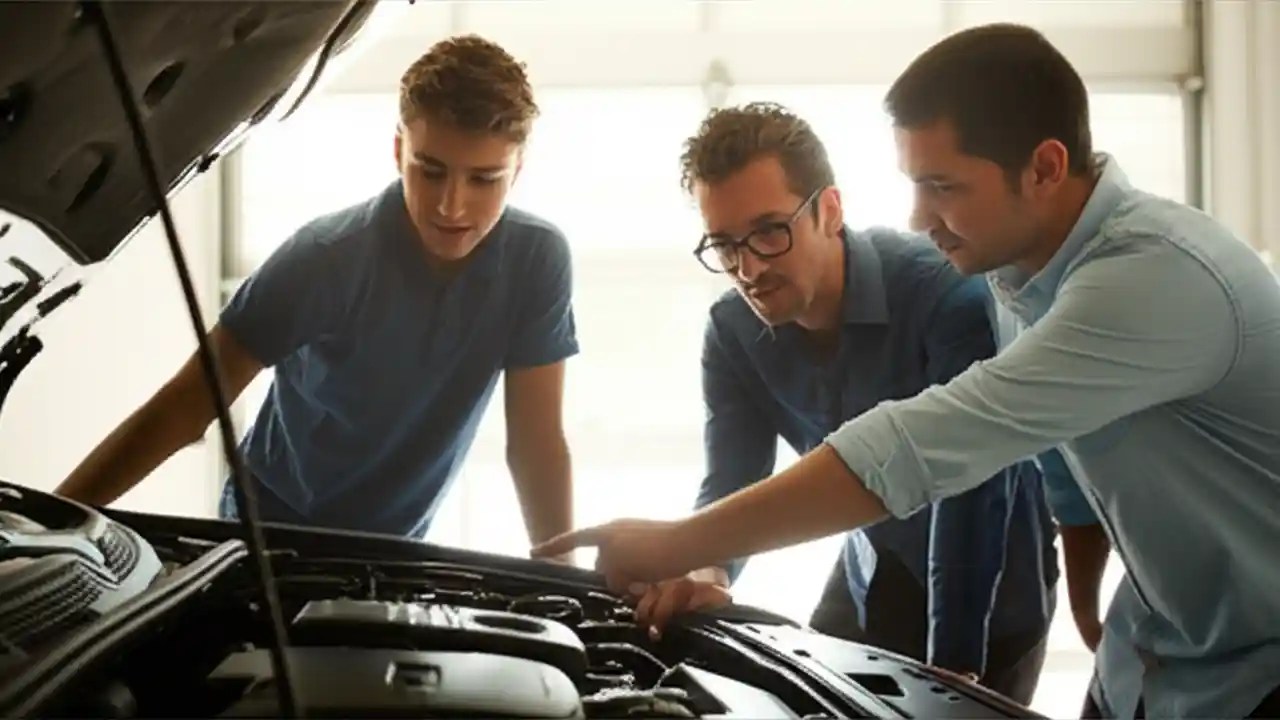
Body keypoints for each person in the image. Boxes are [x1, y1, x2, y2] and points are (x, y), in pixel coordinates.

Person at [534, 23, 1280, 718]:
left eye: (943, 187)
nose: (919, 217)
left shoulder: (1150, 278)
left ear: (1045, 168)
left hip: (1253, 669)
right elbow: (1061, 450)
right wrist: (1090, 593)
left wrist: (675, 543)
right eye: (914, 185)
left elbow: (933, 445)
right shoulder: (1018, 273)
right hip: (1145, 653)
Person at [56, 35, 580, 558]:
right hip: (270, 526)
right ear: (399, 150)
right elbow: (184, 406)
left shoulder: (537, 261)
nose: (451, 205)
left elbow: (535, 443)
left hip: (399, 545)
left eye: (484, 179)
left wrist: (564, 574)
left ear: (518, 169)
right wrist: (49, 524)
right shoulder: (323, 257)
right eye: (431, 170)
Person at [630, 102, 1058, 704]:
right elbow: (731, 479)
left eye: (770, 231)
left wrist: (955, 665)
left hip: (989, 592)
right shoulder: (732, 331)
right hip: (870, 570)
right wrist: (704, 572)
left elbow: (973, 486)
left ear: (829, 211)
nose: (748, 268)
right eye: (724, 245)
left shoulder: (945, 294)